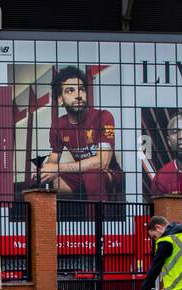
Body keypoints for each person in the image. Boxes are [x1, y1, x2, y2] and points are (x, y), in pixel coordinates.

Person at [39, 66, 122, 201]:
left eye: (81, 89)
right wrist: (45, 171)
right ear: (60, 99)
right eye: (70, 90)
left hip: (108, 173)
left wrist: (57, 168)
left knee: (92, 176)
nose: (78, 95)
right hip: (80, 174)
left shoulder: (103, 116)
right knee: (44, 179)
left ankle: (99, 221)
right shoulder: (58, 125)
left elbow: (102, 162)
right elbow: (53, 161)